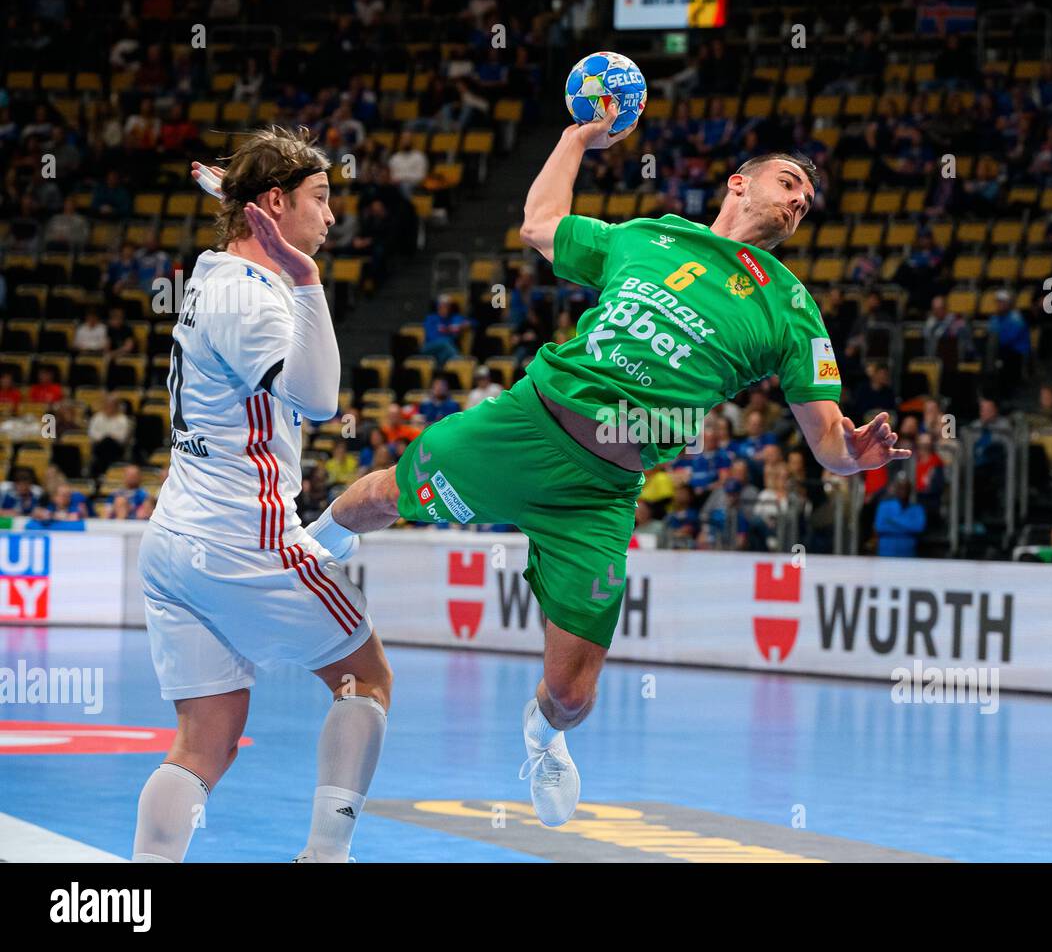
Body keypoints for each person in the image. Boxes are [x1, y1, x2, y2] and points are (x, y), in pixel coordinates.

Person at [300, 102, 909, 828]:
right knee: (383, 494)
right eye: (787, 182)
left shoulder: (792, 310)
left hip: (601, 494)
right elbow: (539, 224)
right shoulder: (646, 235)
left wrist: (855, 454)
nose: (798, 200)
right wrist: (574, 139)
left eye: (807, 201)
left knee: (572, 693)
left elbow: (828, 442)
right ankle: (309, 547)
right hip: (528, 426)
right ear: (737, 185)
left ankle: (543, 735)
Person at [137, 130, 392, 865]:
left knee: (205, 739)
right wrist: (306, 277)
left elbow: (253, 219)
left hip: (174, 544)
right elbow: (317, 398)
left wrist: (244, 199)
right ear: (274, 205)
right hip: (245, 541)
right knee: (365, 679)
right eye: (321, 198)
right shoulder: (254, 299)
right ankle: (325, 857)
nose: (333, 216)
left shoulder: (213, 273)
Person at [874, 474, 926, 557]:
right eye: (900, 488)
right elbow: (879, 527)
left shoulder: (917, 509)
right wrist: (907, 526)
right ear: (896, 490)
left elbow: (918, 528)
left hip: (908, 552)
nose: (903, 491)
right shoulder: (884, 506)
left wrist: (893, 520)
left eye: (906, 488)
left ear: (910, 490)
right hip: (886, 552)